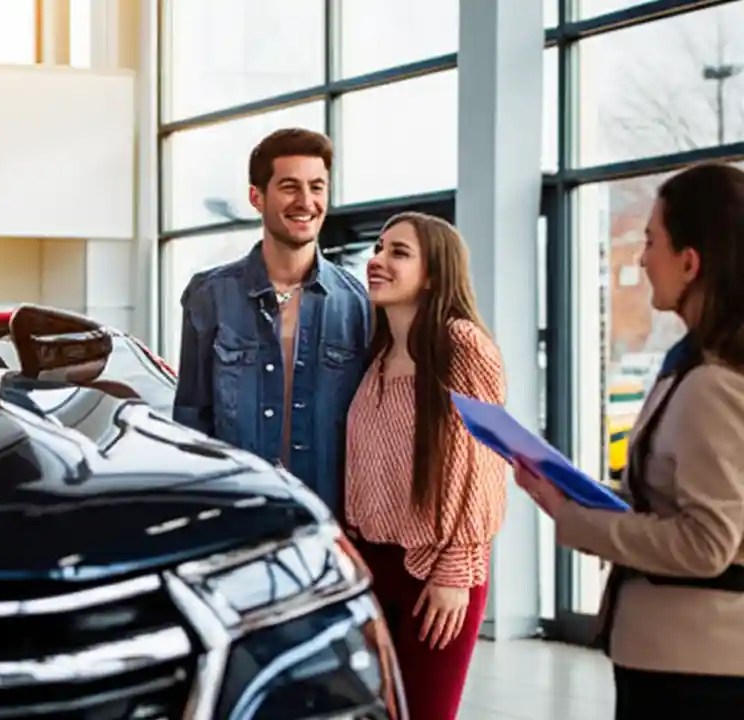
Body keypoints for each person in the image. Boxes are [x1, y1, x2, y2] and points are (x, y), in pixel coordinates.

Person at [514, 161, 744, 719]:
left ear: (690, 262)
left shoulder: (711, 383)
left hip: (693, 668)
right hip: (681, 659)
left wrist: (576, 519)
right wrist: (573, 492)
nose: (642, 260)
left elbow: (708, 544)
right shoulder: (693, 368)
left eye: (651, 242)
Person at [343, 212, 507, 720]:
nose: (378, 260)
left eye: (399, 252)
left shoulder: (461, 345)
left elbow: (484, 461)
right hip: (373, 567)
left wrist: (456, 568)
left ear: (434, 274)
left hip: (436, 569)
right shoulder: (377, 357)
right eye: (379, 248)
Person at [172, 128, 371, 514]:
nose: (306, 201)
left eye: (317, 187)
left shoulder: (355, 302)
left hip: (325, 525)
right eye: (289, 187)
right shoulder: (209, 295)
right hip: (237, 516)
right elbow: (191, 421)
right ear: (256, 197)